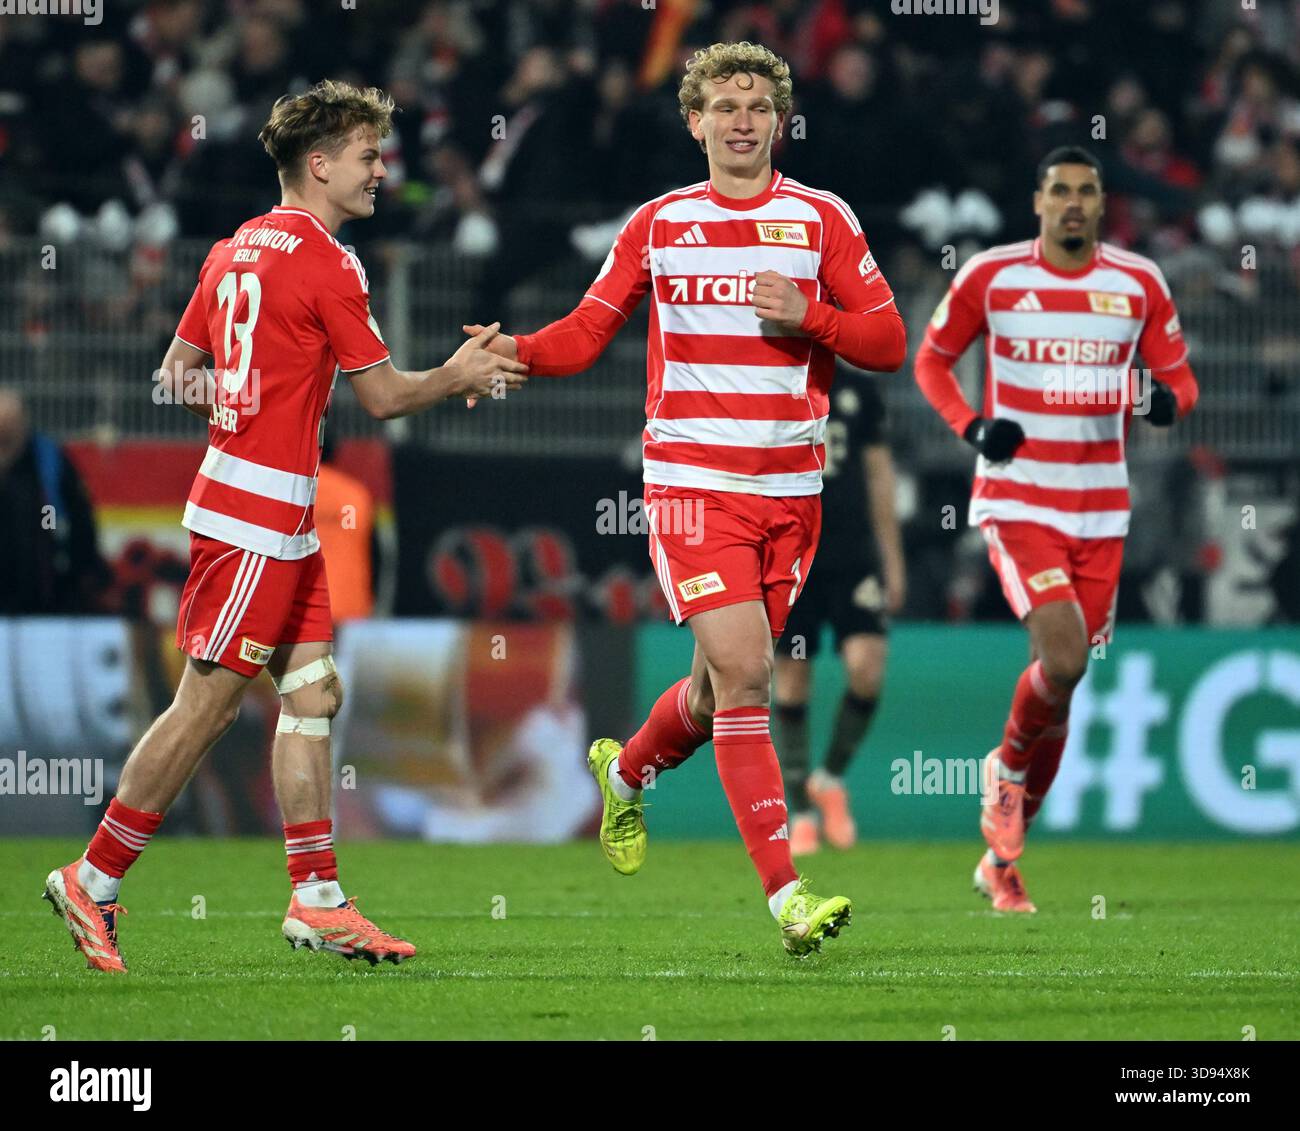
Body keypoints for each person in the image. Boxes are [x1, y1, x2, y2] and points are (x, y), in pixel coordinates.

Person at [43, 79, 527, 973]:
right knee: (207, 704)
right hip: (257, 516)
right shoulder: (329, 261)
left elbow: (175, 372)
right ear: (321, 162)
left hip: (268, 508)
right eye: (369, 156)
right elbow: (382, 399)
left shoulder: (233, 250)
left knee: (312, 694)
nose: (382, 171)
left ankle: (317, 897)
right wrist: (459, 373)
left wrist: (242, 412)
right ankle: (94, 877)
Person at [465, 42, 906, 955]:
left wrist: (811, 316)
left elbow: (890, 340)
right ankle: (788, 896)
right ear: (694, 121)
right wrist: (514, 351)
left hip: (793, 492)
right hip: (691, 487)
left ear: (778, 121)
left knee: (713, 697)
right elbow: (588, 332)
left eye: (757, 105)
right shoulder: (661, 223)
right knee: (749, 673)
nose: (741, 120)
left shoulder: (822, 219)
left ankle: (624, 774)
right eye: (723, 105)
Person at [913, 145, 1198, 912]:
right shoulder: (994, 275)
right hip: (1018, 501)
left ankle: (1002, 861)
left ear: (1101, 205)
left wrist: (1169, 401)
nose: (1074, 203)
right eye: (1060, 191)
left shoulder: (1137, 281)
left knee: (1062, 691)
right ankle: (1004, 769)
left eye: (1087, 192)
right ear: (1037, 202)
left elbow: (1179, 377)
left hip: (1101, 509)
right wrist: (972, 426)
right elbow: (932, 360)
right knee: (1064, 657)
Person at [772, 369, 905, 854]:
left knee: (866, 669)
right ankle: (801, 811)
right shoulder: (772, 375)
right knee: (790, 681)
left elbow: (878, 471)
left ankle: (829, 779)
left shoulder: (858, 388)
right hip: (792, 551)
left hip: (853, 558)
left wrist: (891, 556)